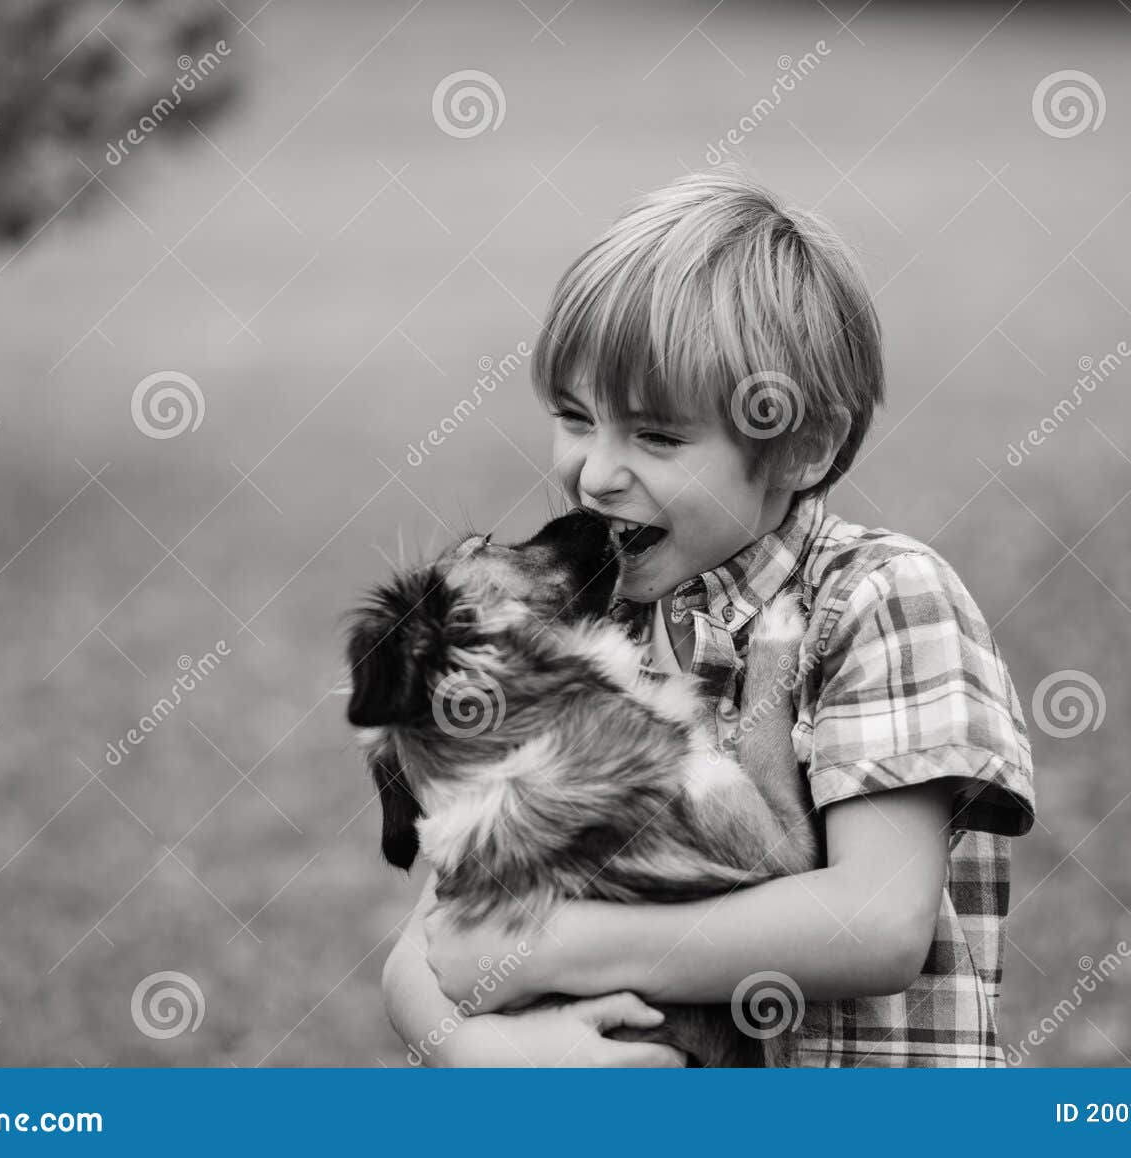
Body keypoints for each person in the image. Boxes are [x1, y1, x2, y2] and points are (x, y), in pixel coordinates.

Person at [382, 168, 1035, 1067]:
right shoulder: (576, 634)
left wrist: (549, 948)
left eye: (655, 436)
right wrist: (476, 1048)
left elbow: (879, 922)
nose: (595, 473)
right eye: (576, 418)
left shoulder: (878, 600)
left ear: (799, 444)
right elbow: (434, 940)